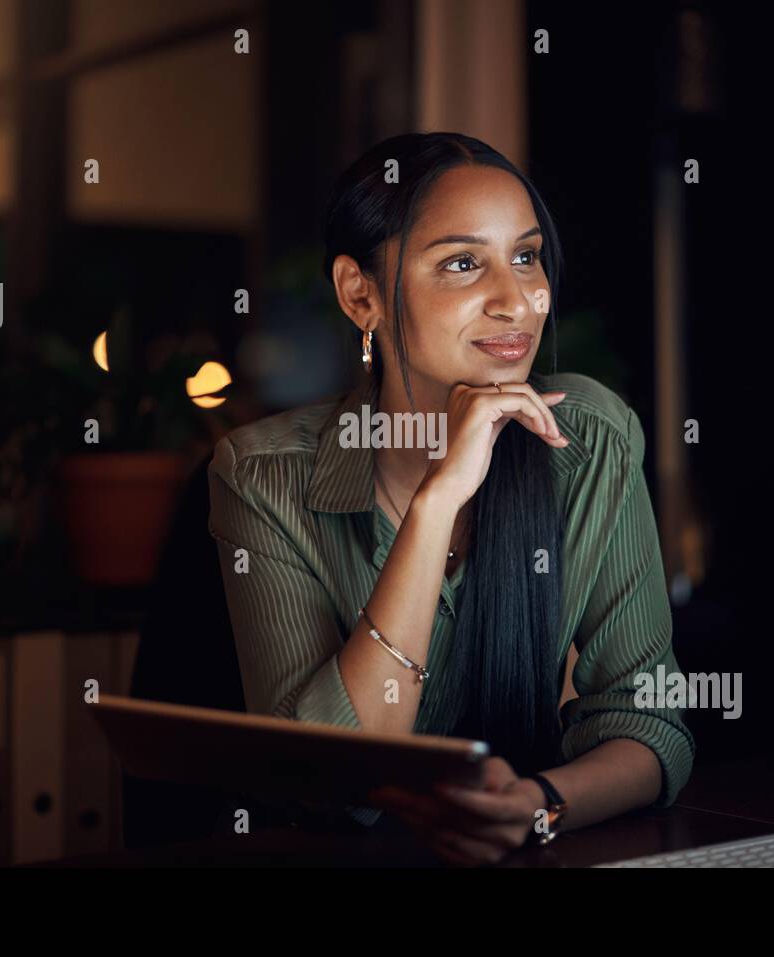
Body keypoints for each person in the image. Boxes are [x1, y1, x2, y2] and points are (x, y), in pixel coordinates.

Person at [207, 131, 694, 866]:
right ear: (360, 294)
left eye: (526, 257)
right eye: (464, 263)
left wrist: (535, 807)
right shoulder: (263, 474)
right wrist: (438, 502)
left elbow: (649, 722)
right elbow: (325, 776)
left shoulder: (591, 437)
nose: (518, 299)